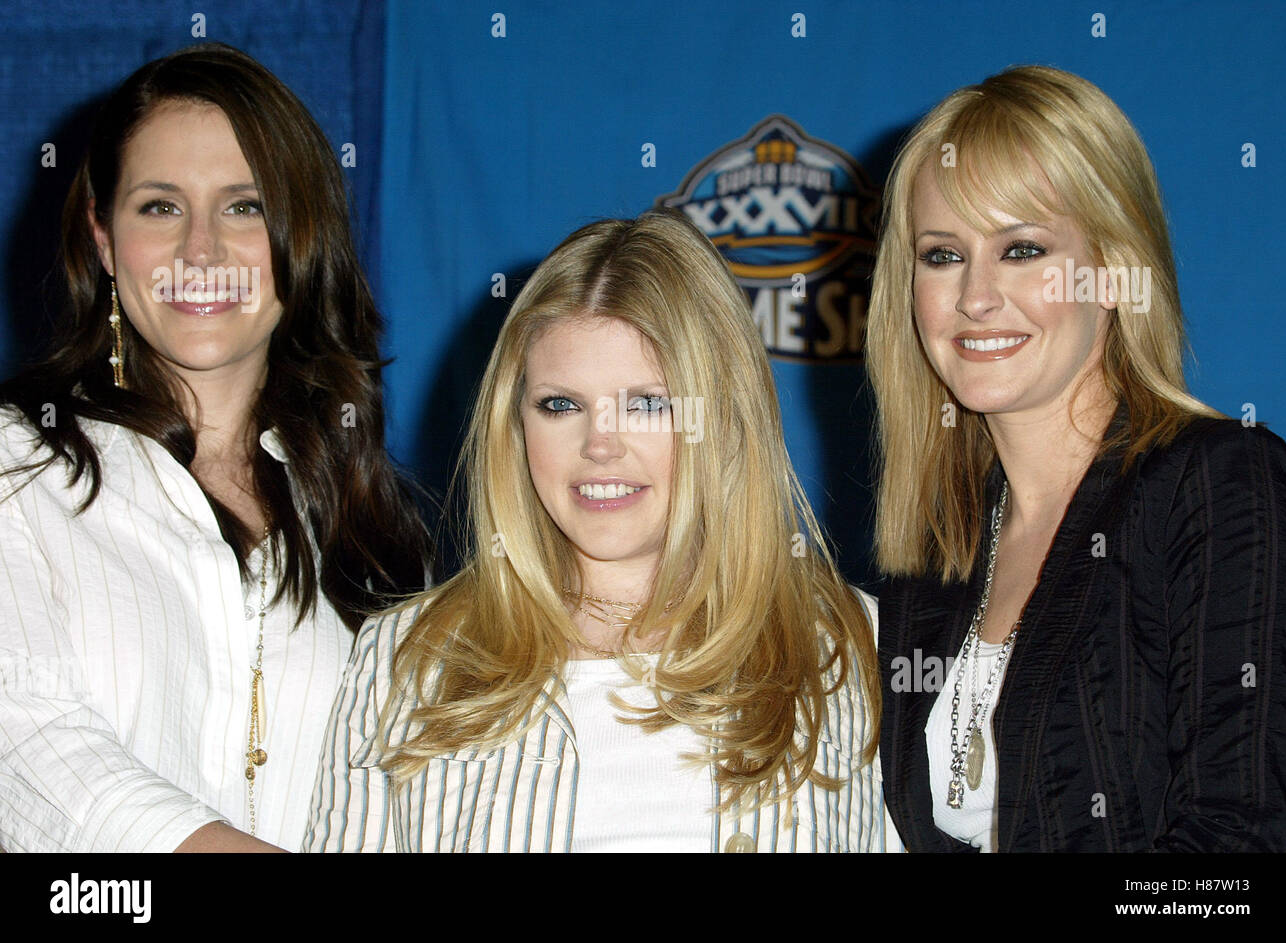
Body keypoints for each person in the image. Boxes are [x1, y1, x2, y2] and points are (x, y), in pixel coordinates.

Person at [306, 209, 896, 852]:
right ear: (517, 423)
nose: (600, 446)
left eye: (647, 403)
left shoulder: (849, 646)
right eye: (562, 405)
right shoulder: (403, 662)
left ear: (725, 417)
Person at [0, 43, 433, 852]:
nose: (201, 251)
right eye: (160, 206)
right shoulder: (18, 467)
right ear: (102, 239)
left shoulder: (370, 531)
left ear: (300, 239)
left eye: (244, 206)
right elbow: (24, 743)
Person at [866, 65, 1286, 851]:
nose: (975, 295)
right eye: (942, 254)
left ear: (1114, 271)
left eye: (1022, 248)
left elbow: (1242, 854)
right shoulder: (932, 560)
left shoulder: (1220, 485)